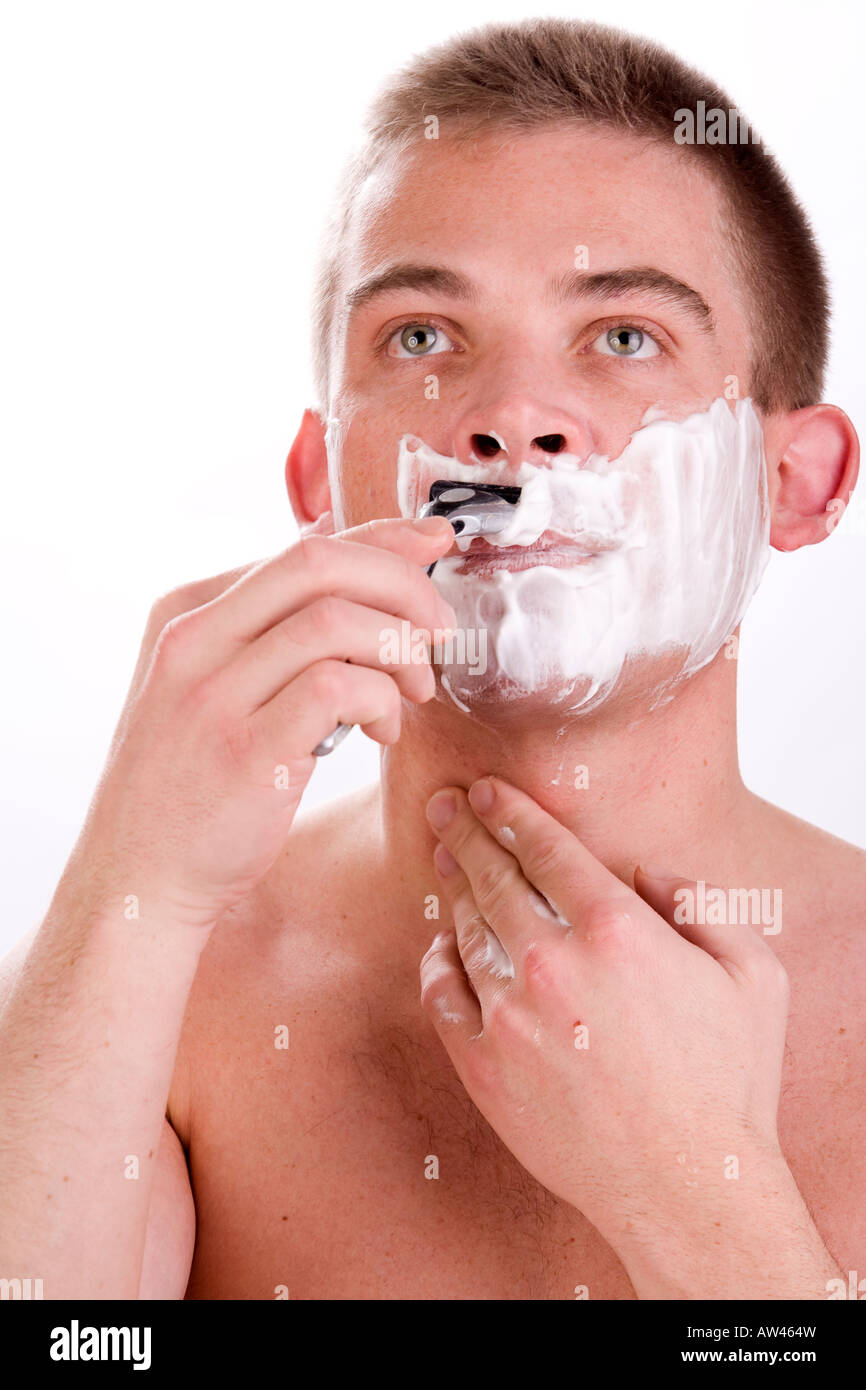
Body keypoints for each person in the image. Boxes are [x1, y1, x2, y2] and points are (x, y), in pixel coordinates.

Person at [1, 18, 862, 1301]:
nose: (508, 414)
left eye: (623, 335)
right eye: (419, 337)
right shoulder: (160, 985)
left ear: (795, 482)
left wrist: (697, 1196)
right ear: (319, 479)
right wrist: (130, 881)